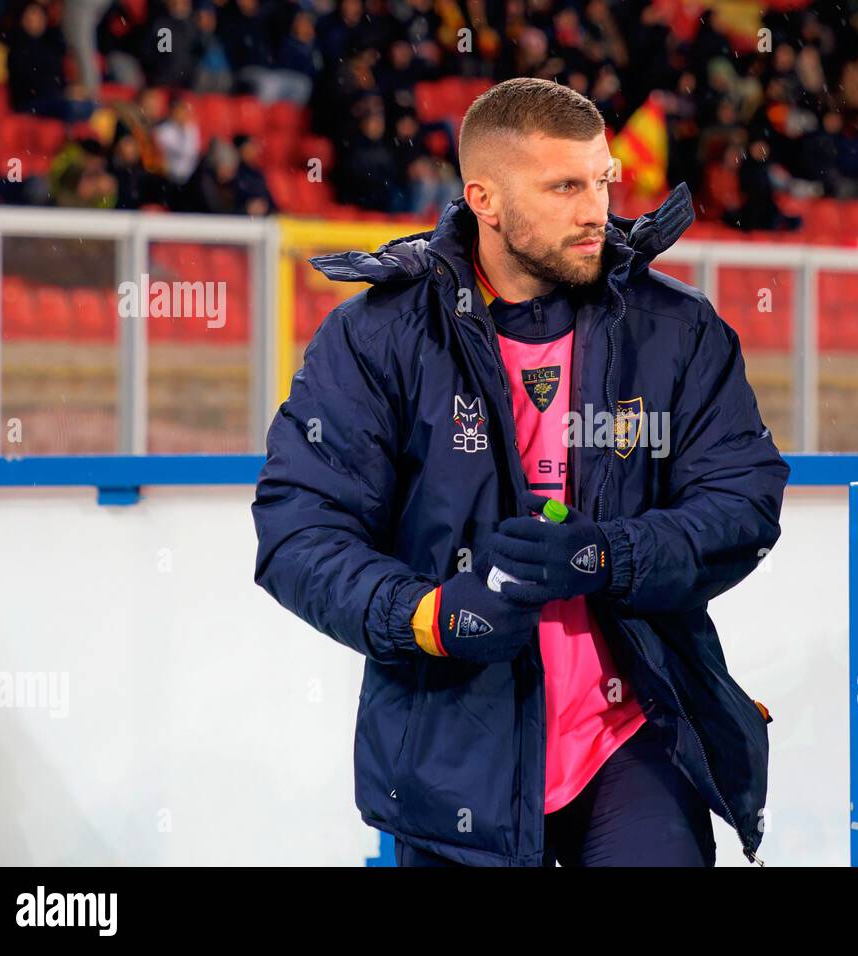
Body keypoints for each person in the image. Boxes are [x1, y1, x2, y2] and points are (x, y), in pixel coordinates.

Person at [251, 78, 787, 867]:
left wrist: (612, 555)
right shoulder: (377, 338)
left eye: (602, 180)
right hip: (455, 754)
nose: (594, 209)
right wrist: (430, 616)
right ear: (485, 200)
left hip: (636, 735)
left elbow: (743, 500)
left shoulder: (676, 328)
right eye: (564, 186)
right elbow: (297, 531)